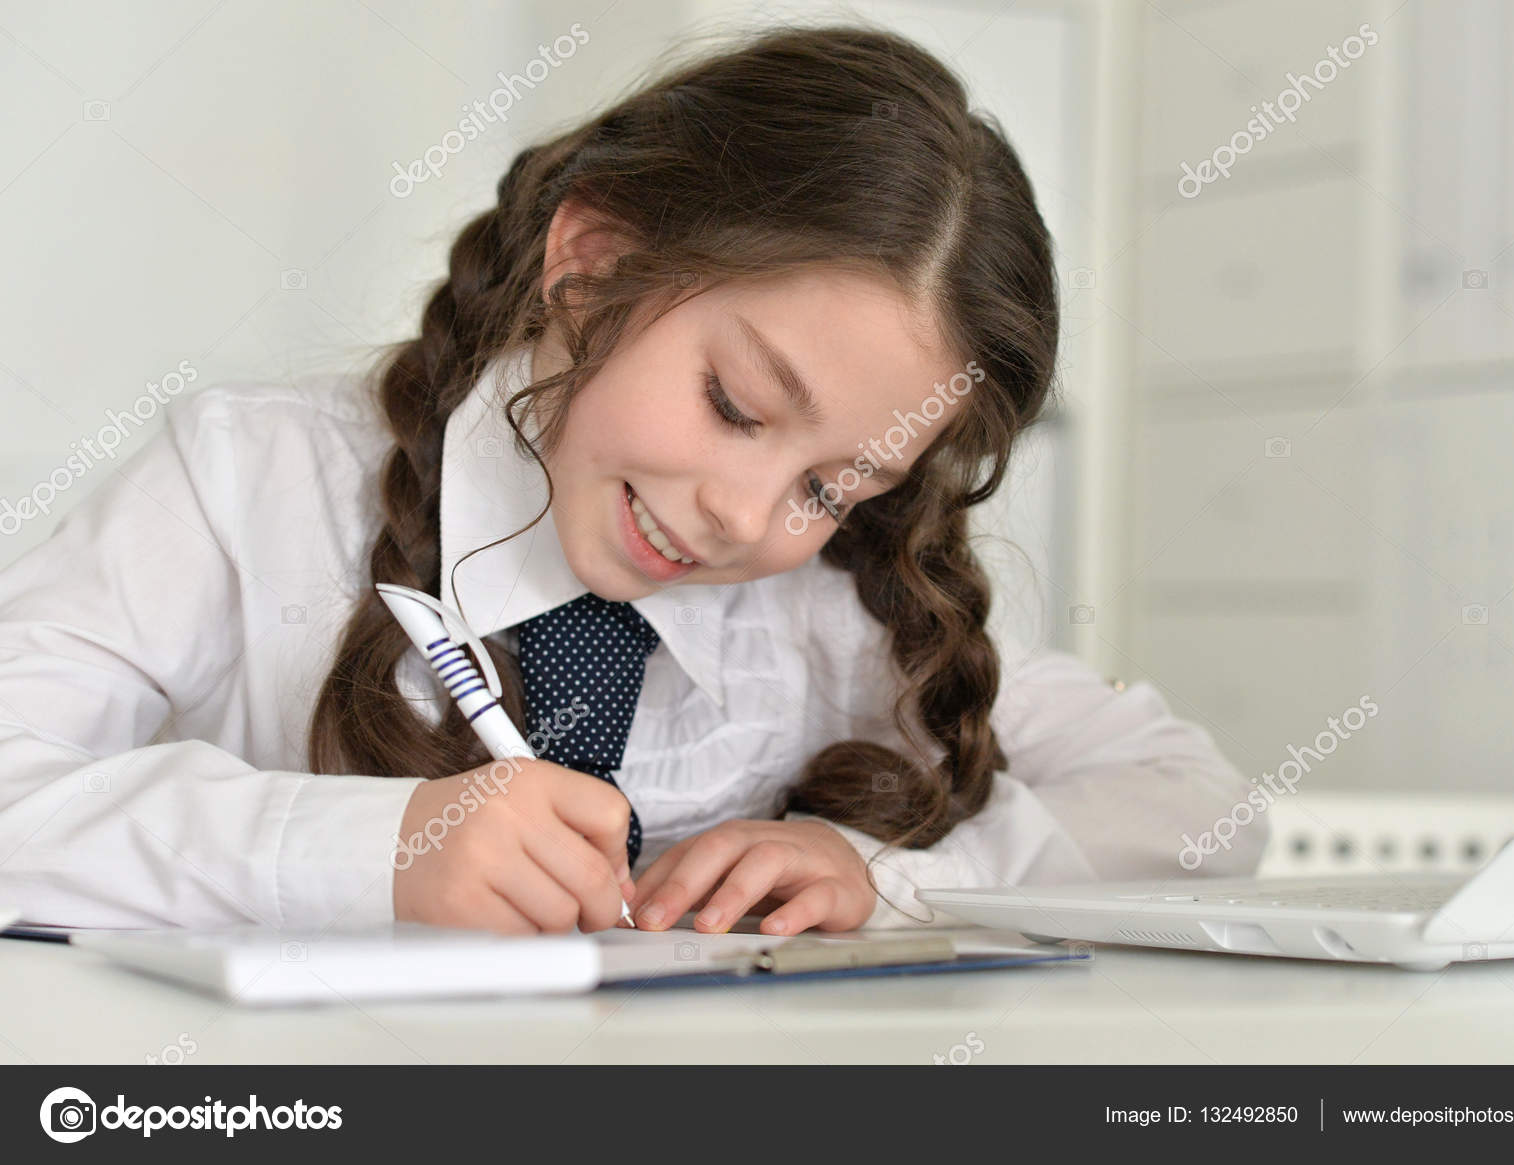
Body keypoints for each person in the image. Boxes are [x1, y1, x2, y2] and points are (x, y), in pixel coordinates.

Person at [0, 25, 1264, 938]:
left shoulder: (838, 606)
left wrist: (881, 880)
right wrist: (367, 851)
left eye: (838, 486)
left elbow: (1201, 809)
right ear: (593, 260)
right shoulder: (245, 483)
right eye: (737, 405)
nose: (748, 515)